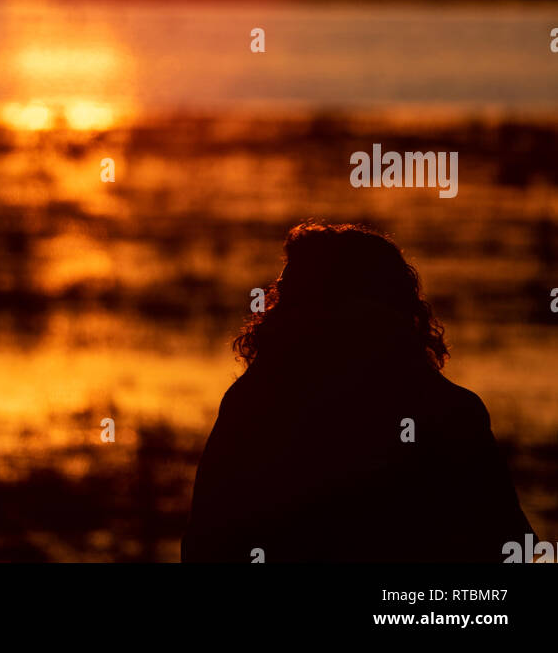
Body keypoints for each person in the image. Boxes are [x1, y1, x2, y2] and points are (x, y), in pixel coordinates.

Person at [181, 221, 534, 563]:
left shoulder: (255, 402)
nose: (278, 311)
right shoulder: (450, 409)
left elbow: (206, 541)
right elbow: (510, 543)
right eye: (283, 298)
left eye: (292, 297)